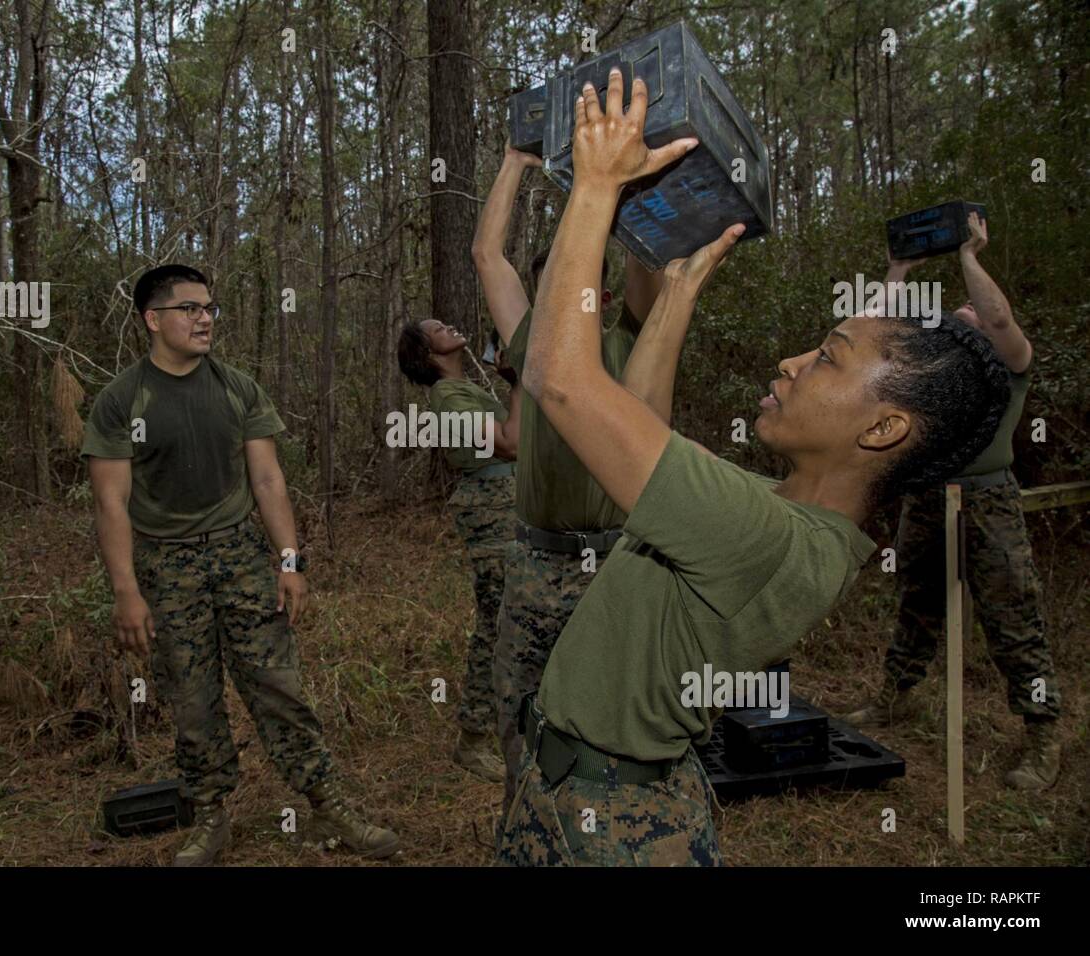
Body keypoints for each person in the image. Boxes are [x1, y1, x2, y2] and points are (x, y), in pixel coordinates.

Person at [498, 70, 1012, 866]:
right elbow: (643, 424)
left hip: (605, 825)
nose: (792, 361)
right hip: (605, 790)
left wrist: (594, 189)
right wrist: (674, 293)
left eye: (829, 359)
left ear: (883, 427)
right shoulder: (802, 525)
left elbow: (561, 379)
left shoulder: (763, 535)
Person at [83, 264, 399, 865]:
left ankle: (328, 802)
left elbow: (268, 478)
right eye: (190, 308)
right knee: (193, 699)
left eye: (210, 308)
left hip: (240, 555)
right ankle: (209, 815)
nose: (205, 318)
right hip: (166, 567)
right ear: (154, 320)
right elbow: (111, 501)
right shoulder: (122, 399)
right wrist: (127, 591)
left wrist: (289, 560)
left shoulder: (237, 387)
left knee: (278, 685)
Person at [471, 139, 668, 815]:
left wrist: (621, 190)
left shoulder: (629, 343)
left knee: (611, 725)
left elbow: (652, 267)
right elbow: (488, 257)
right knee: (518, 720)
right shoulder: (534, 350)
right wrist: (514, 162)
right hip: (534, 564)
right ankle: (527, 832)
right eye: (553, 282)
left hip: (615, 568)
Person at [842, 213, 1061, 791]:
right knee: (916, 605)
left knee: (1013, 620)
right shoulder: (937, 368)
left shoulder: (1009, 363)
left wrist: (969, 256)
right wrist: (898, 269)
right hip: (926, 496)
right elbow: (867, 332)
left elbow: (996, 316)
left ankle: (1043, 731)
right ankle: (897, 697)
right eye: (957, 310)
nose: (963, 312)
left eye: (969, 311)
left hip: (989, 502)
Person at [397, 318, 520, 783]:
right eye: (437, 329)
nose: (448, 326)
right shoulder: (447, 398)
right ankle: (472, 739)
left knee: (514, 619)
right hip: (492, 512)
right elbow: (510, 444)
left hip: (508, 506)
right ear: (428, 353)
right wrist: (522, 384)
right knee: (497, 625)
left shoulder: (463, 388)